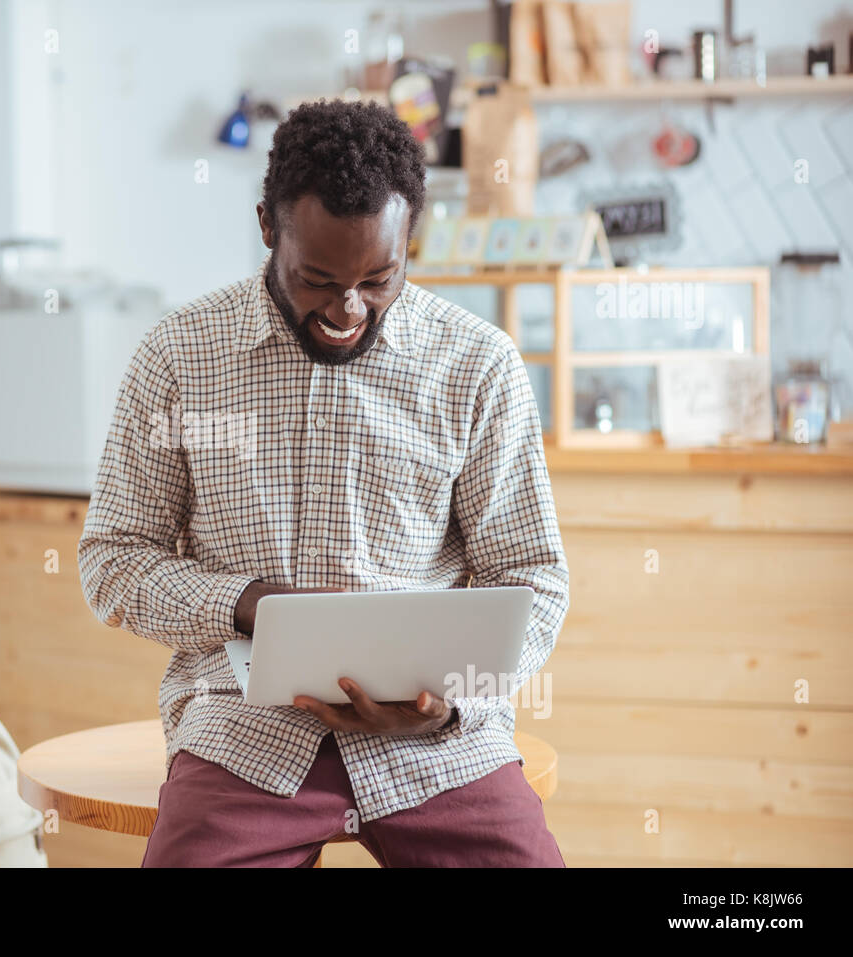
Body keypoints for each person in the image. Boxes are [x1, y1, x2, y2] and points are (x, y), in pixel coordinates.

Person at [77, 99, 568, 868]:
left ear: (413, 241)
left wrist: (451, 703)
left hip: (437, 747)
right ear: (268, 226)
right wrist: (247, 605)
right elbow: (113, 560)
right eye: (318, 279)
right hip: (244, 731)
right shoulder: (179, 356)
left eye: (380, 279)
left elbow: (533, 576)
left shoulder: (479, 364)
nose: (348, 309)